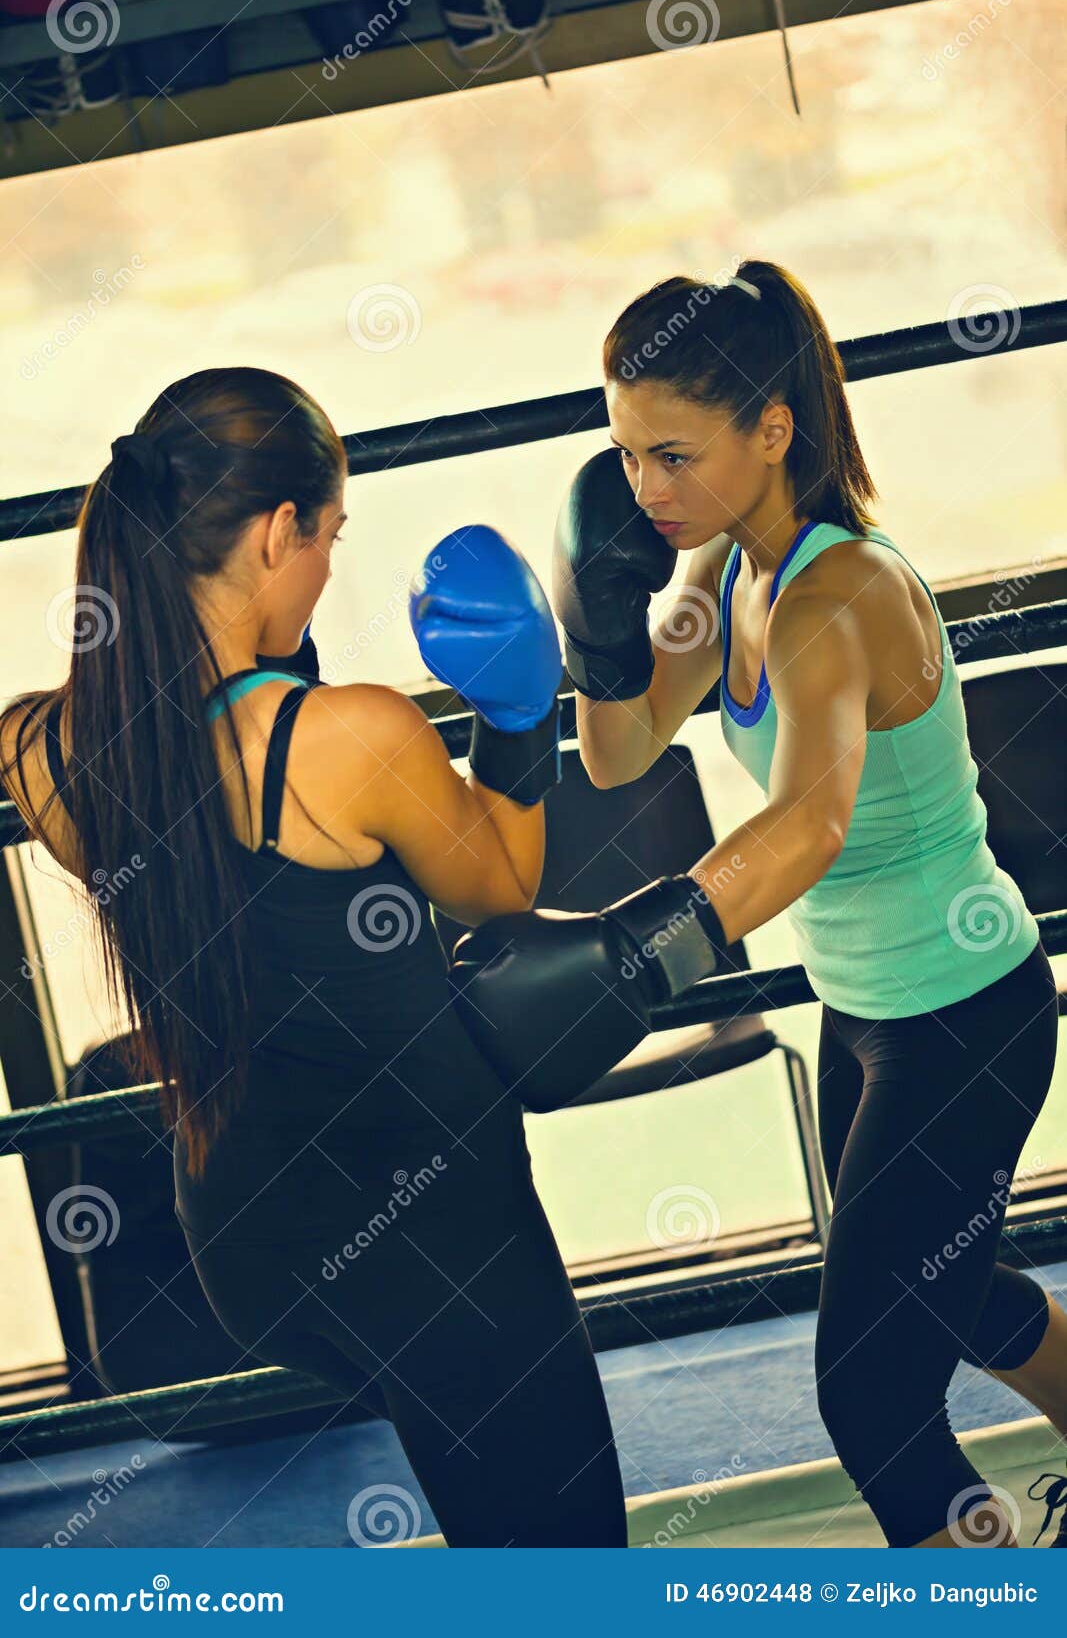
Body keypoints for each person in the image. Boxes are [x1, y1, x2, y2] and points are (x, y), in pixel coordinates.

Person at [0, 367, 627, 1549]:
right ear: (278, 530)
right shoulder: (348, 736)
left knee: (483, 1509)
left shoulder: (43, 750)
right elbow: (500, 887)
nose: (330, 565)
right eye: (328, 535)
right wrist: (513, 714)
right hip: (438, 1224)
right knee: (565, 1560)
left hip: (247, 1229)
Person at [539, 259, 1063, 1549]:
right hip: (868, 1014)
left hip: (960, 1020)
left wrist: (652, 943)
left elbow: (806, 823)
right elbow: (619, 752)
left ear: (770, 431)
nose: (644, 492)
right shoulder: (726, 573)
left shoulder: (835, 595)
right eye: (625, 458)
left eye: (672, 456)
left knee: (869, 1392)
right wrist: (598, 633)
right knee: (942, 1290)